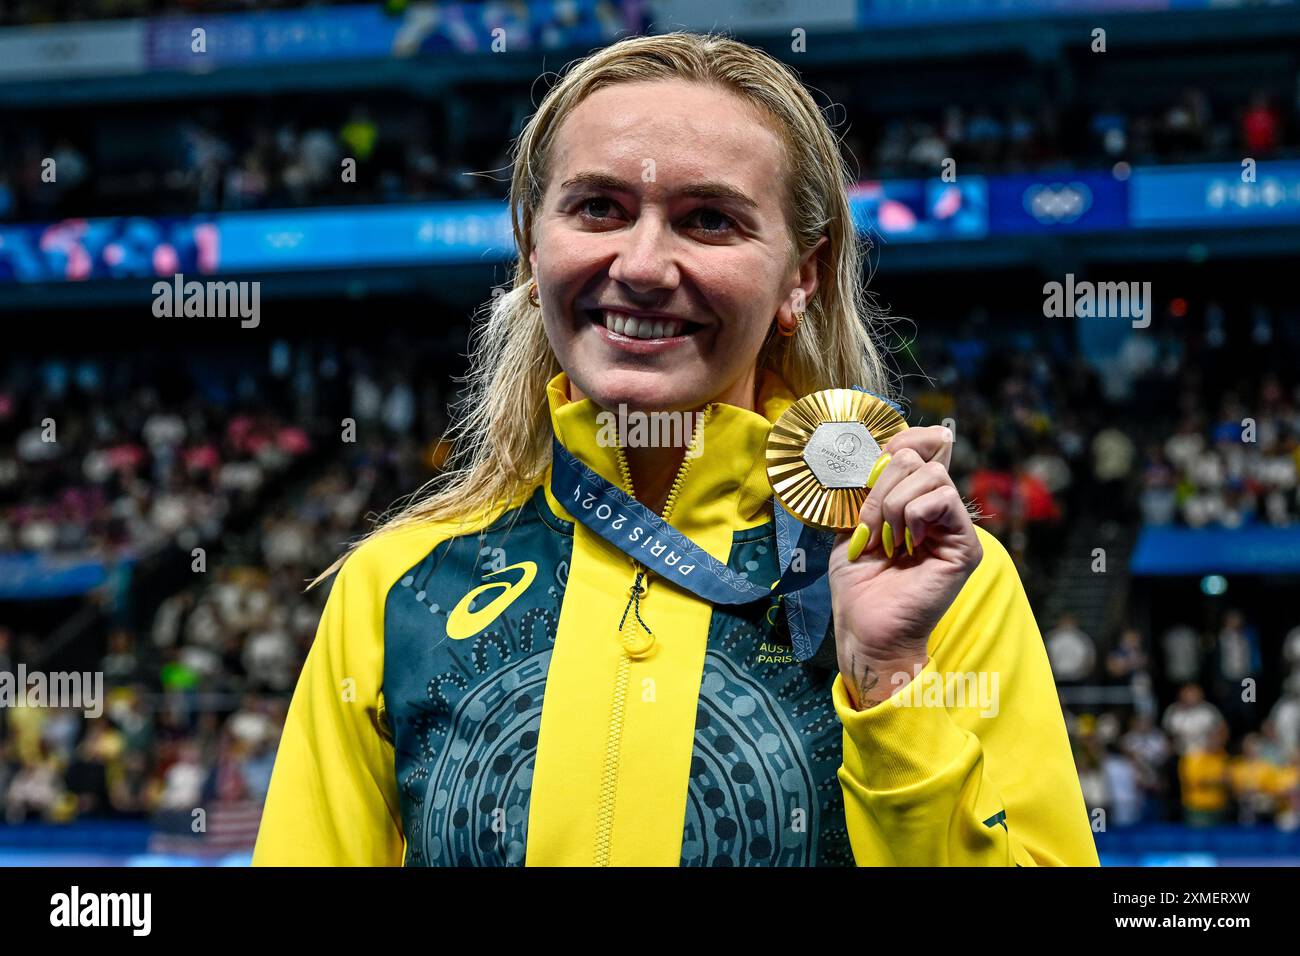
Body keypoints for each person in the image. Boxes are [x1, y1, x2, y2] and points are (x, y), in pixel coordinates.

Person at [254, 32, 1096, 867]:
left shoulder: (934, 583)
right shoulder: (397, 585)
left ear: (800, 277)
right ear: (531, 245)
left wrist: (891, 681)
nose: (645, 265)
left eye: (709, 220)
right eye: (599, 208)